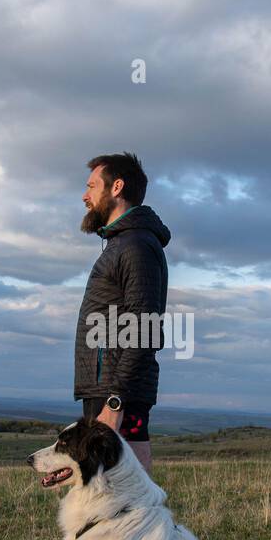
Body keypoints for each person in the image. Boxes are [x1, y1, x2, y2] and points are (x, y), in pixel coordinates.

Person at [74, 152, 171, 474]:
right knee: (116, 492)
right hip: (111, 384)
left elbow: (144, 328)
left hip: (116, 389)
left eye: (91, 186)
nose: (85, 196)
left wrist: (115, 400)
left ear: (116, 187)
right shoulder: (124, 243)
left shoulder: (135, 246)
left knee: (124, 493)